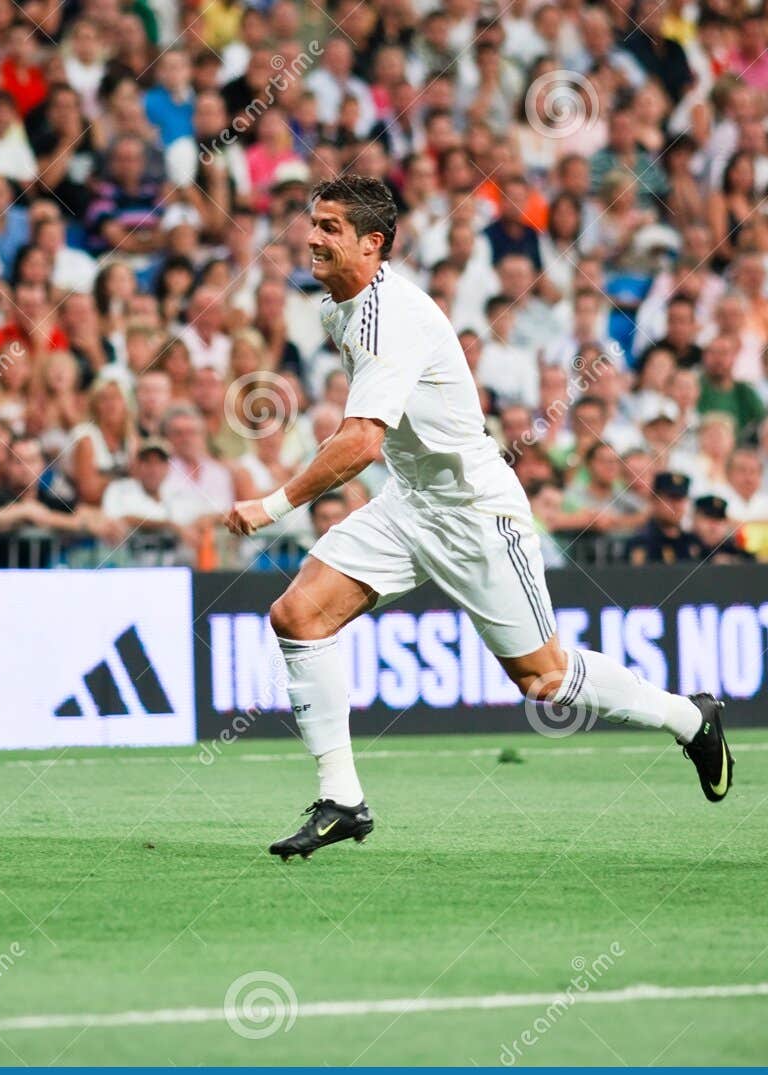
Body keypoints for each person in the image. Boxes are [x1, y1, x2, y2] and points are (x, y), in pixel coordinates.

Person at [222, 178, 734, 861]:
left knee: (545, 679)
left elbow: (362, 441)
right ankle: (342, 799)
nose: (312, 236)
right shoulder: (335, 310)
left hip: (474, 512)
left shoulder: (386, 315)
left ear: (373, 243)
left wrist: (273, 503)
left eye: (331, 227)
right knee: (297, 616)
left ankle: (688, 715)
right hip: (411, 503)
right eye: (312, 222)